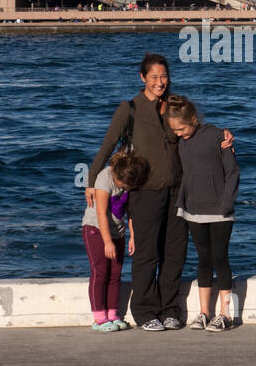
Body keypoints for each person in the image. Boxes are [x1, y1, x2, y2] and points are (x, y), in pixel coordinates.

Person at [87, 54, 231, 331]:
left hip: (178, 191)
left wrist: (222, 134)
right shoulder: (129, 108)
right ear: (143, 78)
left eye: (163, 76)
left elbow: (196, 127)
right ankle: (145, 311)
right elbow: (108, 144)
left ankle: (170, 309)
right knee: (147, 253)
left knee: (175, 252)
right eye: (153, 77)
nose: (160, 82)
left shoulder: (175, 105)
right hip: (145, 192)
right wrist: (92, 180)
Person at [166, 95, 239, 332]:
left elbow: (232, 172)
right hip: (193, 211)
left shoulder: (218, 136)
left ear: (194, 119)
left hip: (220, 212)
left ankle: (225, 314)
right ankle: (204, 313)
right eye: (174, 130)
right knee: (203, 260)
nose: (178, 133)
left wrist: (226, 203)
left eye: (182, 128)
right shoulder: (180, 141)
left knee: (221, 259)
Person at [83, 151, 150, 331]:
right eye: (124, 186)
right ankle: (99, 318)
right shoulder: (105, 180)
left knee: (115, 273)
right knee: (100, 272)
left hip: (118, 232)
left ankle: (113, 314)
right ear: (116, 177)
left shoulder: (129, 182)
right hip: (96, 229)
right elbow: (101, 214)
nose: (126, 189)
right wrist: (107, 242)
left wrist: (132, 236)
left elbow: (130, 212)